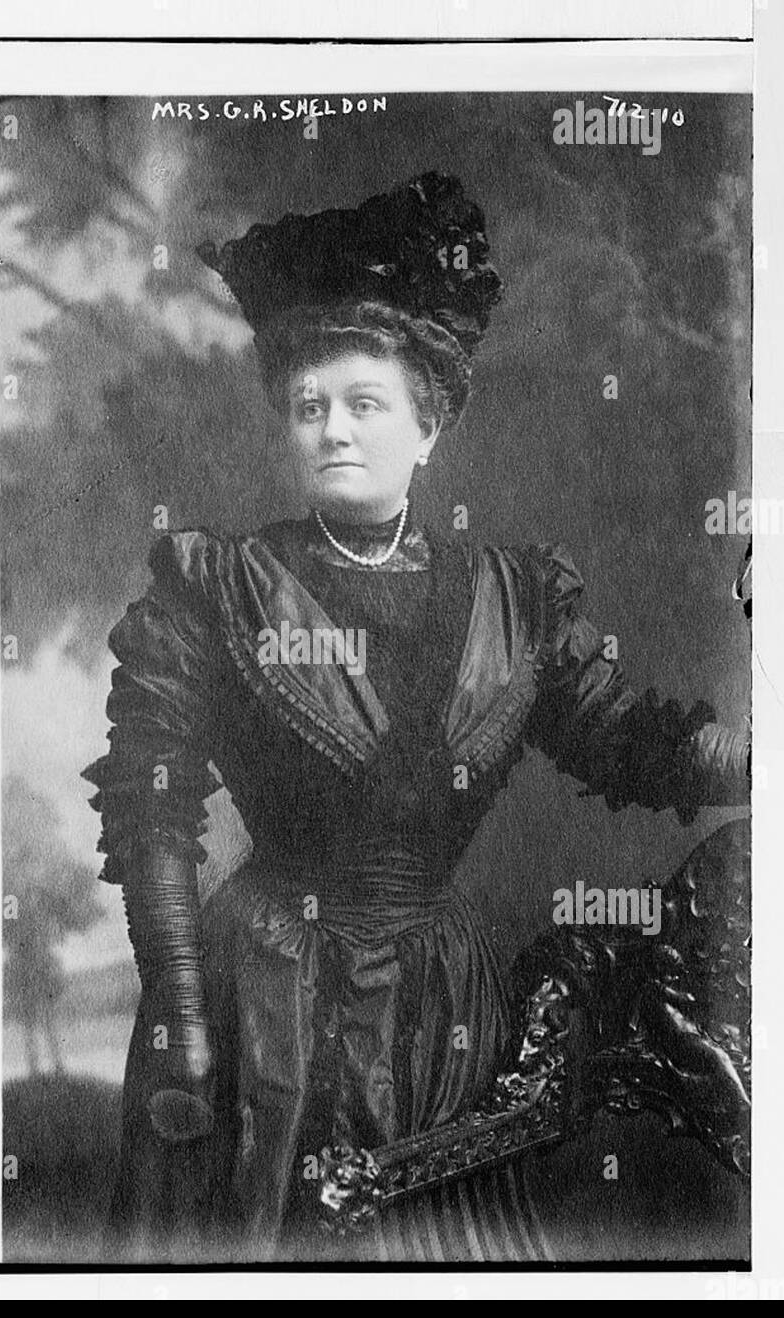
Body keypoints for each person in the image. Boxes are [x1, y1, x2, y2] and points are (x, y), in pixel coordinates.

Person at [82, 171, 749, 1262]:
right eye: (308, 407)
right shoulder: (219, 586)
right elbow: (149, 807)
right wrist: (183, 1011)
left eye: (365, 403)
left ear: (428, 426)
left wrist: (755, 760)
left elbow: (625, 736)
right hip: (264, 997)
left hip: (444, 1016)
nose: (333, 431)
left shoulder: (511, 598)